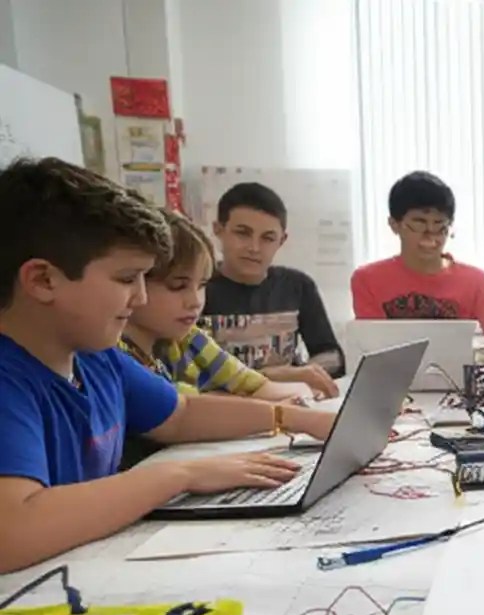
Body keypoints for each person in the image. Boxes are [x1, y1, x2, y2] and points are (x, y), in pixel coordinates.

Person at [0, 158, 336, 572]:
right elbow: (12, 532)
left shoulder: (96, 358)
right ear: (43, 281)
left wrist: (292, 419)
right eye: (126, 279)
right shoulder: (8, 379)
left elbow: (182, 413)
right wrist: (178, 476)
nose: (140, 299)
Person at [121, 208, 314, 402]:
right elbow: (185, 411)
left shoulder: (190, 339)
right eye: (178, 286)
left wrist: (299, 396)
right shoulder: (115, 356)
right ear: (135, 282)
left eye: (202, 285)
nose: (195, 301)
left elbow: (252, 384)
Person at [204, 182, 343, 398]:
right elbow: (187, 377)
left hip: (291, 407)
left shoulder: (298, 286)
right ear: (218, 230)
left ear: (282, 240)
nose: (254, 248)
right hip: (222, 413)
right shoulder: (196, 288)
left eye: (267, 238)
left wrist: (309, 372)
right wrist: (285, 375)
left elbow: (332, 356)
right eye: (242, 233)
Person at [350, 171, 484, 347]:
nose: (430, 238)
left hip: (459, 373)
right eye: (419, 224)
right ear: (394, 225)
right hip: (395, 374)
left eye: (439, 226)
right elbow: (372, 349)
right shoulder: (368, 280)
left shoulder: (476, 281)